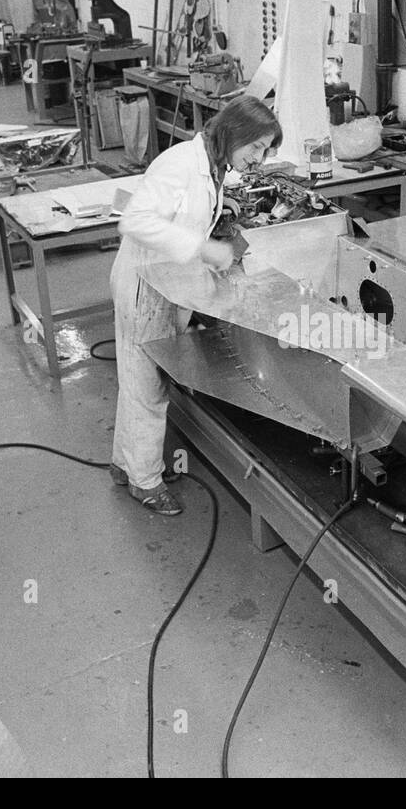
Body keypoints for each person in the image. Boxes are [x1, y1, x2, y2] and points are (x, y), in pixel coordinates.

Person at [109, 95, 282, 515]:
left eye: (265, 150)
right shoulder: (180, 164)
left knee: (140, 379)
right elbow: (134, 219)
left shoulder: (212, 164)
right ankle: (145, 482)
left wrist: (223, 212)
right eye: (255, 147)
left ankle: (126, 463)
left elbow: (190, 210)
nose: (258, 159)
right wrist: (205, 249)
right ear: (233, 133)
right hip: (144, 285)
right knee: (146, 385)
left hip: (166, 283)